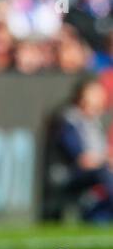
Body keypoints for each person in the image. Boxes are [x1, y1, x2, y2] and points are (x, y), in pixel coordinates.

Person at [43, 76, 113, 222]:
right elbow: (83, 159)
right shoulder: (69, 121)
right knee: (104, 171)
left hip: (93, 172)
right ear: (82, 96)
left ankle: (99, 214)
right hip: (69, 175)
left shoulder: (95, 122)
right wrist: (106, 159)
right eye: (95, 94)